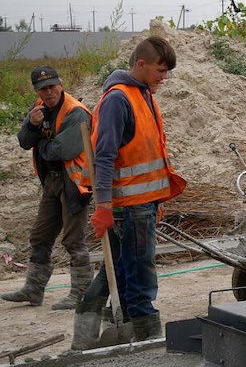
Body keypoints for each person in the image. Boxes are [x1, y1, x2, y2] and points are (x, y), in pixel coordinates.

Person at [72, 36, 186, 349]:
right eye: (160, 71)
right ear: (141, 65)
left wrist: (155, 200)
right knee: (140, 273)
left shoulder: (143, 93)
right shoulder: (118, 100)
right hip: (127, 207)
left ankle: (96, 332)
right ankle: (147, 336)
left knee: (122, 271)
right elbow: (104, 156)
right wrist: (104, 206)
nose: (164, 77)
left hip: (141, 204)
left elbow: (145, 154)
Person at [1, 67, 93, 309]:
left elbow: (63, 150)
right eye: (43, 88)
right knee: (40, 237)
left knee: (74, 241)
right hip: (52, 181)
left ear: (61, 84)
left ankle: (81, 294)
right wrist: (32, 126)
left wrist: (40, 142)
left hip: (74, 183)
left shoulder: (76, 112)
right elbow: (23, 141)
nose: (49, 91)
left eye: (52, 86)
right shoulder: (39, 110)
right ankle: (34, 289)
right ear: (37, 91)